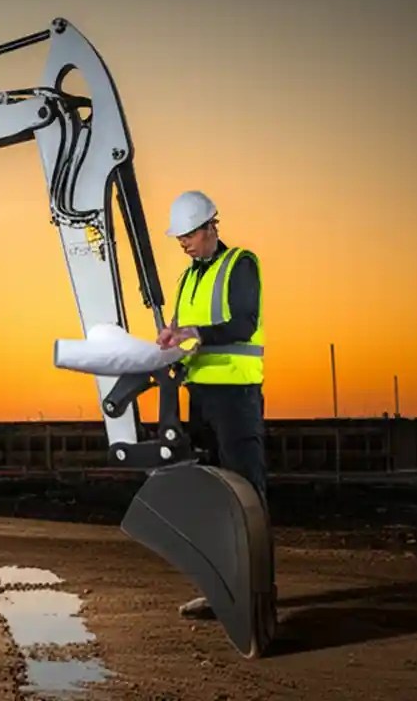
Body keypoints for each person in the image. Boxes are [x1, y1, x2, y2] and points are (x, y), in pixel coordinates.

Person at [155, 190, 271, 620]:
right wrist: (172, 339)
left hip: (235, 398)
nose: (182, 242)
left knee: (247, 496)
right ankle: (219, 590)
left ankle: (258, 596)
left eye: (188, 234)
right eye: (179, 236)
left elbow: (244, 323)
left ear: (211, 228)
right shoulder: (188, 277)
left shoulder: (240, 263)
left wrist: (196, 333)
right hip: (200, 397)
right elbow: (186, 332)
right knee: (212, 496)